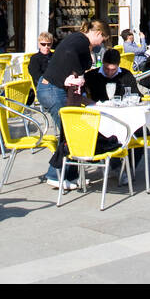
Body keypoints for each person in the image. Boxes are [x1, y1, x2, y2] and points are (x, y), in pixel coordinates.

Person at [37, 21, 106, 188]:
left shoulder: (80, 41)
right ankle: (55, 175)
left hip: (56, 89)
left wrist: (91, 102)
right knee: (69, 133)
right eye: (104, 38)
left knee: (74, 131)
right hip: (52, 90)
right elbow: (68, 52)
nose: (103, 42)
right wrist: (80, 74)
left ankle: (72, 175)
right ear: (97, 33)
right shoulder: (81, 40)